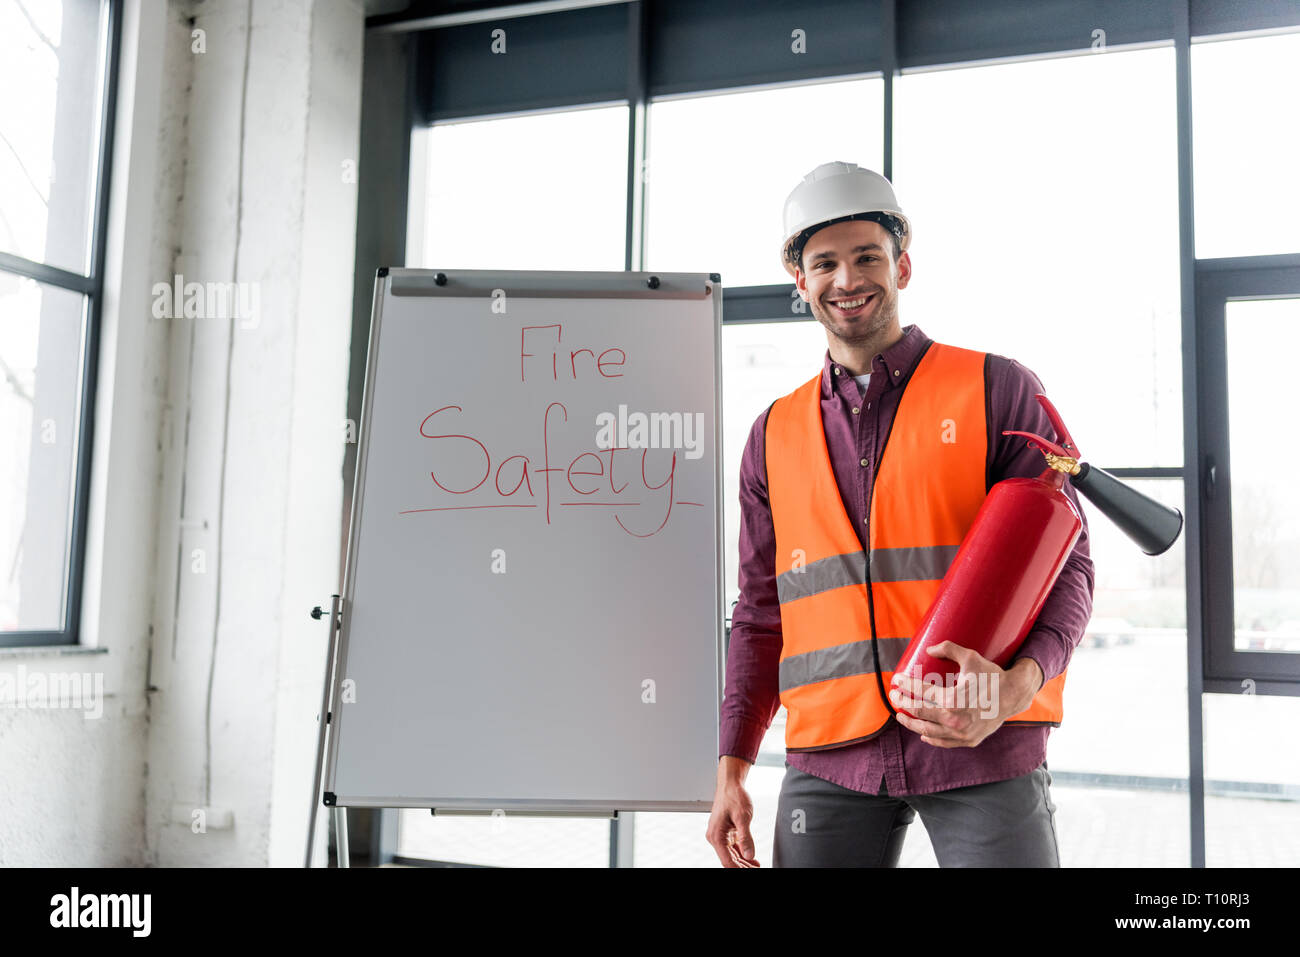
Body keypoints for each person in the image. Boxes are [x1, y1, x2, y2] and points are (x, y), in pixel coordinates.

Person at [704, 161, 1095, 868]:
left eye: (866, 257)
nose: (847, 279)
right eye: (824, 263)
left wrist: (1014, 689)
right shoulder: (772, 435)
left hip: (982, 741)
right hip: (829, 758)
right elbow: (762, 612)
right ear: (802, 282)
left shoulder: (997, 390)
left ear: (903, 266)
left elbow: (1070, 570)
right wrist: (732, 761)